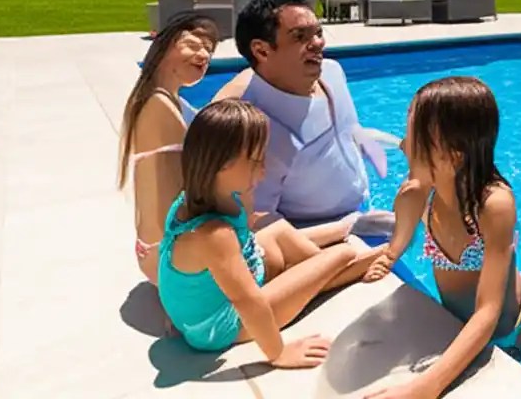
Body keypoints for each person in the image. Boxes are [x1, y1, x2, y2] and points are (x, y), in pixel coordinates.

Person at [363, 77, 521, 399]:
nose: (402, 144)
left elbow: (488, 310)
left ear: (452, 156)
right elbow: (398, 244)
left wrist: (425, 388)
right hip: (463, 323)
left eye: (412, 136)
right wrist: (385, 256)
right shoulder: (421, 191)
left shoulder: (493, 204)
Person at [157, 99, 387, 361]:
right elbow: (247, 302)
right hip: (224, 324)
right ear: (222, 165)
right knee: (342, 254)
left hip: (227, 290)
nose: (263, 170)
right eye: (255, 161)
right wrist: (279, 353)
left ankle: (320, 266)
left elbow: (177, 265)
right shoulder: (214, 235)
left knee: (278, 230)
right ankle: (375, 256)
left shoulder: (197, 198)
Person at [215, 0, 391, 227]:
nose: (318, 43)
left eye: (318, 33)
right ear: (262, 51)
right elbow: (257, 223)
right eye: (300, 37)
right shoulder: (254, 127)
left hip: (364, 208)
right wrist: (347, 229)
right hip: (320, 231)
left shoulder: (332, 72)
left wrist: (366, 141)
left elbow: (348, 126)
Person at [119, 12, 218, 284]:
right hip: (170, 259)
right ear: (164, 47)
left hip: (156, 251)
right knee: (278, 250)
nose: (204, 55)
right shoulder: (160, 107)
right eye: (194, 44)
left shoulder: (161, 99)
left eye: (209, 50)